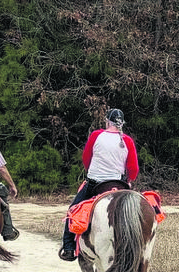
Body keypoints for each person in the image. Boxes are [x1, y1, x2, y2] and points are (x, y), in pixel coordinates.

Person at [59, 108, 139, 261]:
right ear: (122, 123)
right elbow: (133, 168)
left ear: (107, 121)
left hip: (96, 184)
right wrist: (129, 180)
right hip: (118, 185)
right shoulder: (127, 140)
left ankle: (68, 248)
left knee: (73, 210)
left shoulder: (96, 135)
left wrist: (92, 171)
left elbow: (86, 158)